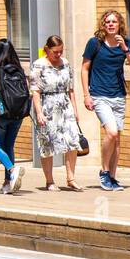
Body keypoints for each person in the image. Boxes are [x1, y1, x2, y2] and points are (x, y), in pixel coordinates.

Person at [81, 9, 130, 192]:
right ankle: (104, 172)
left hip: (118, 95)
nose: (111, 25)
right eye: (107, 22)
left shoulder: (126, 43)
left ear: (119, 24)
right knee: (111, 133)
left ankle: (112, 178)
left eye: (114, 22)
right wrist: (86, 95)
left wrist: (125, 49)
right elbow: (84, 69)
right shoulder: (95, 43)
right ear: (103, 25)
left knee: (117, 139)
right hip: (99, 95)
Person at [29, 35, 84, 192]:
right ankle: (49, 181)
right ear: (47, 49)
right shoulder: (39, 65)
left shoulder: (66, 63)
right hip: (47, 106)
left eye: (61, 51)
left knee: (73, 140)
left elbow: (71, 89)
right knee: (48, 143)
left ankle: (71, 178)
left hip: (65, 105)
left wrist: (75, 109)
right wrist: (39, 112)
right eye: (55, 52)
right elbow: (35, 91)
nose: (59, 54)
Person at [0, 39, 29, 194]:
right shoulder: (18, 69)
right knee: (9, 146)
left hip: (0, 112)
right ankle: (8, 183)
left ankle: (12, 169)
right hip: (18, 113)